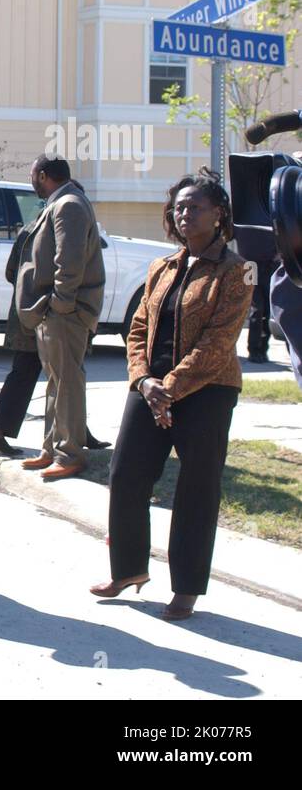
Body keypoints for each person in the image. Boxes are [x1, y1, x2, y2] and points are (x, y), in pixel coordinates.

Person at [92, 170, 252, 621]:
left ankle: (186, 589)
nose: (184, 215)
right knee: (126, 475)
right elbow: (138, 327)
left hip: (208, 392)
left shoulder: (237, 271)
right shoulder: (162, 266)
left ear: (218, 214)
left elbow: (220, 342)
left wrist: (171, 388)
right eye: (179, 207)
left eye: (194, 207)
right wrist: (144, 381)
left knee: (196, 489)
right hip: (151, 389)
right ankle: (127, 571)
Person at [0, 187, 110, 459]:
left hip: (34, 311)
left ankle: (74, 431)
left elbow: (11, 272)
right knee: (37, 372)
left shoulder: (35, 225)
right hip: (43, 313)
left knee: (63, 375)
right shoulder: (46, 226)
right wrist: (56, 302)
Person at [14, 155, 105, 480]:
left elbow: (69, 263)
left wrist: (60, 306)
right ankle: (52, 449)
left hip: (65, 313)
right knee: (56, 380)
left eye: (31, 175)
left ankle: (70, 454)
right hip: (54, 311)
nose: (31, 180)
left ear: (41, 175)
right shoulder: (63, 201)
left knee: (67, 382)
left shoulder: (68, 204)